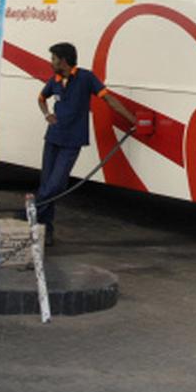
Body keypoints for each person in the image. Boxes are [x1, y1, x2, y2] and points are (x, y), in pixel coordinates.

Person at [34, 42, 135, 246]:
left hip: (72, 140)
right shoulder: (54, 80)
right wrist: (47, 115)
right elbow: (41, 98)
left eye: (53, 58)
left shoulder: (86, 78)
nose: (50, 62)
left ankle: (30, 211)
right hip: (52, 138)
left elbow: (108, 99)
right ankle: (44, 229)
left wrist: (132, 119)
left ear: (63, 60)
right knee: (47, 184)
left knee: (56, 184)